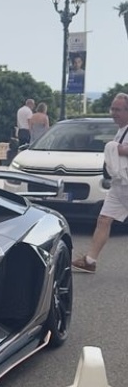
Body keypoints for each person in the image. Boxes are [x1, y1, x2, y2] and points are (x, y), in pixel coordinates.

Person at [72, 93, 128, 273]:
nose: (113, 113)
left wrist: (113, 148)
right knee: (103, 220)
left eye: (118, 110)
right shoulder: (122, 130)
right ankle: (90, 260)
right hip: (119, 185)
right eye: (112, 109)